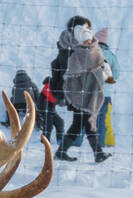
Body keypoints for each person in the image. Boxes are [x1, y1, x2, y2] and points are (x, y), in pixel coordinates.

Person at [53, 16, 110, 163]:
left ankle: (64, 152)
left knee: (81, 124)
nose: (87, 32)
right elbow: (69, 69)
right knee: (84, 123)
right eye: (83, 28)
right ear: (75, 30)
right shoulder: (69, 48)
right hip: (78, 92)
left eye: (88, 28)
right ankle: (98, 153)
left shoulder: (86, 45)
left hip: (88, 91)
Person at [96, 27, 119, 146]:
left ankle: (76, 142)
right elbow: (117, 73)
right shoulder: (111, 56)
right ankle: (107, 143)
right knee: (105, 120)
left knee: (85, 119)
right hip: (107, 94)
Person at [37, 76, 66, 145]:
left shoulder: (55, 88)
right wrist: (60, 100)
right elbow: (53, 99)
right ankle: (44, 141)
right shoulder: (47, 86)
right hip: (44, 110)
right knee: (48, 125)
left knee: (60, 122)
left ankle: (60, 140)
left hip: (51, 110)